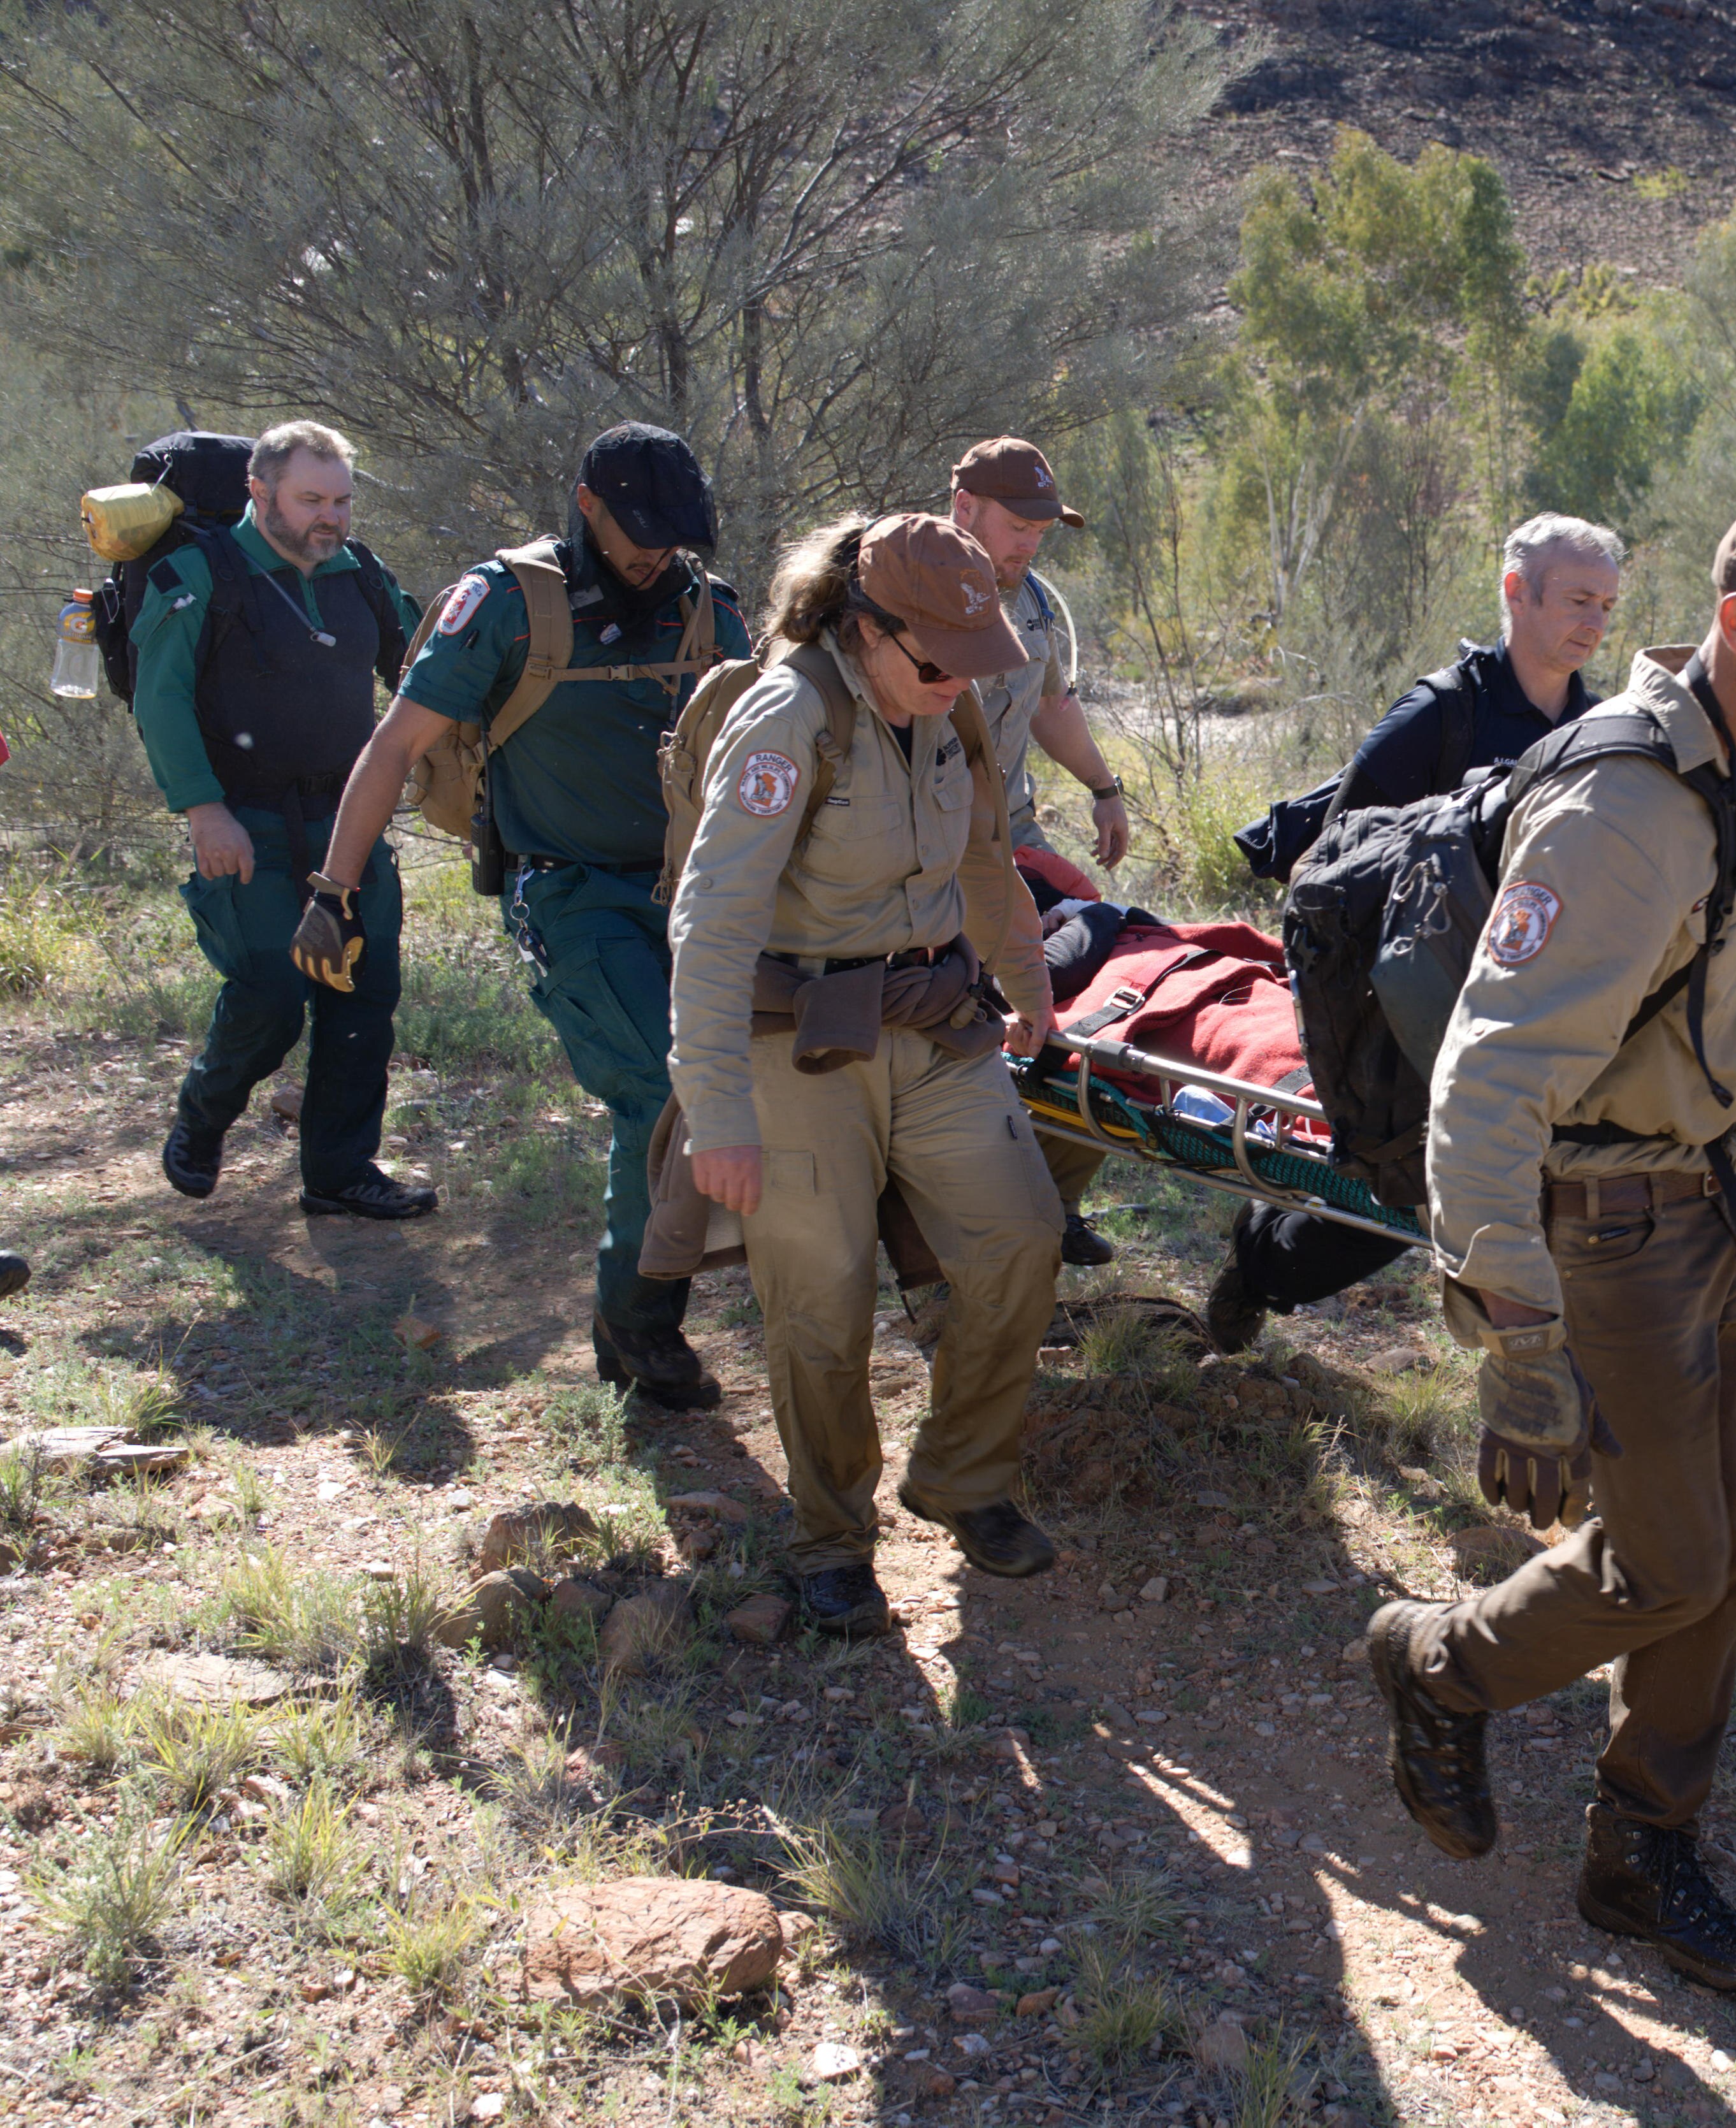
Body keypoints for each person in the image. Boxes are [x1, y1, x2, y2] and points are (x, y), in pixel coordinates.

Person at [1363, 488, 1736, 1994]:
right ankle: (1439, 1663)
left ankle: (1640, 1845)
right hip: (1606, 1226)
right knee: (1670, 1559)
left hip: (1716, 1199)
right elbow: (1488, 1076)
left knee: (1734, 1551)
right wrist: (1518, 1333)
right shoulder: (1624, 812)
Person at [666, 513, 1062, 1637]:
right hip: (799, 1038)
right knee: (821, 1297)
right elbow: (712, 923)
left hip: (933, 1015)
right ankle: (831, 1534)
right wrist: (717, 1111)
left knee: (1023, 1235)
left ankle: (963, 1474)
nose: (954, 682)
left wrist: (1024, 978)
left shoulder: (954, 706)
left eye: (970, 660)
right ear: (867, 627)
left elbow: (986, 856)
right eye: (934, 659)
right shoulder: (789, 718)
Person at [303, 424, 748, 1409]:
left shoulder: (708, 610)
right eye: (640, 529)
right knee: (661, 1085)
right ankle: (636, 1321)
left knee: (751, 1076)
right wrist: (332, 889)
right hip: (569, 890)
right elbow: (393, 747)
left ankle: (663, 1293)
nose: (658, 552)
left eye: (675, 534)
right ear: (587, 504)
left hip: (694, 888)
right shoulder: (507, 604)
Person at [1203, 512, 1625, 1352]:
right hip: (1409, 1004)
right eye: (1577, 599)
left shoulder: (1601, 731)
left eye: (1607, 606)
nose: (1594, 622)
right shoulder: (1439, 716)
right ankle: (1261, 1266)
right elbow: (1329, 871)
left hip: (1541, 1007)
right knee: (1396, 1200)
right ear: (1517, 592)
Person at [133, 421, 432, 1220]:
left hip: (348, 818)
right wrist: (203, 810)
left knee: (363, 998)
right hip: (245, 820)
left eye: (340, 500)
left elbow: (423, 668)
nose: (329, 517)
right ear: (258, 491)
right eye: (310, 500)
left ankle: (339, 1173)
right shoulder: (197, 575)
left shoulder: (361, 573)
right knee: (269, 992)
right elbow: (159, 701)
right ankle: (204, 1111)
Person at [948, 436, 1126, 1269]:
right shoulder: (905, 597)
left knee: (1101, 982)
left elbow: (1049, 699)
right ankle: (967, 1230)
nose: (1028, 542)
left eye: (1041, 528)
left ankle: (1053, 1199)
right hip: (926, 850)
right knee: (974, 1009)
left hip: (1011, 839)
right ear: (964, 510)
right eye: (1015, 524)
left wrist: (1104, 786)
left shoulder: (1035, 603)